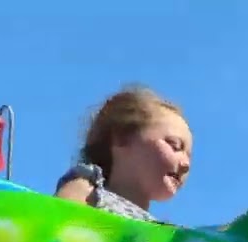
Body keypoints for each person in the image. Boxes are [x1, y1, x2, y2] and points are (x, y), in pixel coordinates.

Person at [55, 86, 192, 221]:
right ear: (122, 138)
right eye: (175, 145)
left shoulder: (160, 229)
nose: (186, 164)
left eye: (189, 156)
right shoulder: (88, 190)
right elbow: (58, 223)